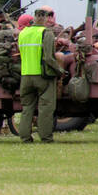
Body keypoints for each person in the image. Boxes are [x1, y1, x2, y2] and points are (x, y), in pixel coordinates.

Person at [16, 8, 64, 143]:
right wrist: (60, 71)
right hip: (42, 76)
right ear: (45, 18)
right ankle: (46, 137)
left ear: (34, 18)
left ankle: (25, 137)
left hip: (25, 75)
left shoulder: (23, 33)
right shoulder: (46, 33)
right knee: (46, 108)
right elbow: (49, 58)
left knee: (27, 108)